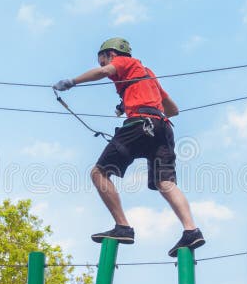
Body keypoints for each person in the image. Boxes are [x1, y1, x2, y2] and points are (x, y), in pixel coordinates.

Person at [53, 37, 205, 257]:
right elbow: (172, 109)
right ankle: (191, 230)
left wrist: (73, 82)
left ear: (111, 55)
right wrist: (131, 102)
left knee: (99, 173)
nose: (104, 66)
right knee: (165, 182)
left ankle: (123, 226)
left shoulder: (124, 62)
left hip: (140, 125)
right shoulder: (147, 73)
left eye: (102, 61)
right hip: (163, 128)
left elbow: (104, 73)